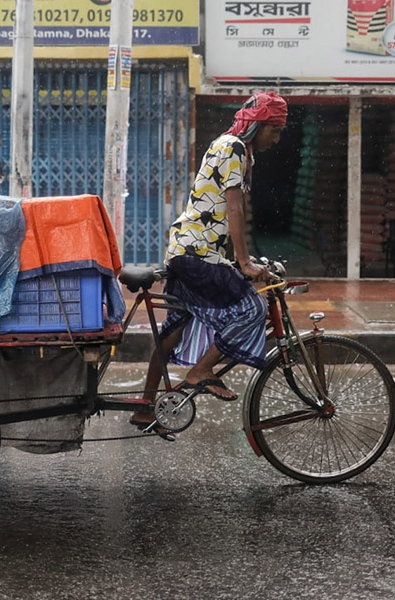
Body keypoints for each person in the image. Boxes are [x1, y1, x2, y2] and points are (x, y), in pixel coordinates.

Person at [133, 92, 287, 433]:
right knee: (253, 310)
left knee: (173, 329)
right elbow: (234, 208)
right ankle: (202, 370)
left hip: (189, 252)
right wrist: (244, 263)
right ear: (258, 125)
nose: (276, 139)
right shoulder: (232, 147)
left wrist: (239, 261)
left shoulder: (238, 150)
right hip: (196, 254)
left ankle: (145, 408)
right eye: (274, 131)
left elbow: (228, 211)